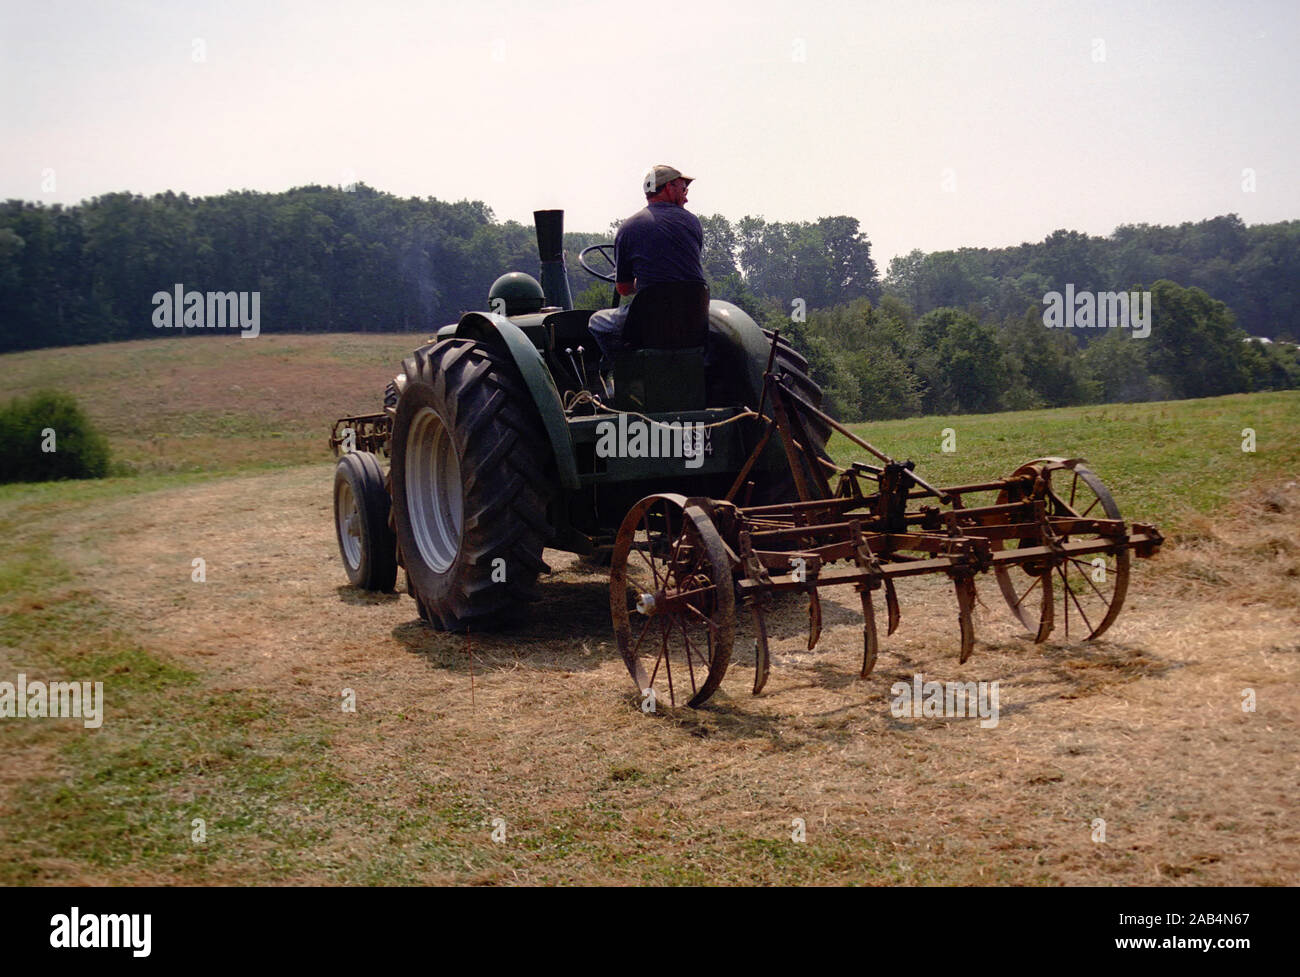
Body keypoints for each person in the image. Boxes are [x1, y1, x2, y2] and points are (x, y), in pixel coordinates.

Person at [588, 165, 707, 370]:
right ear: (668, 187)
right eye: (683, 190)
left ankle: (629, 374)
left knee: (597, 322)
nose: (686, 198)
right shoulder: (693, 222)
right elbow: (684, 272)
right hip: (693, 316)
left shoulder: (628, 227)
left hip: (651, 320)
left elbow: (623, 289)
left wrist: (638, 282)